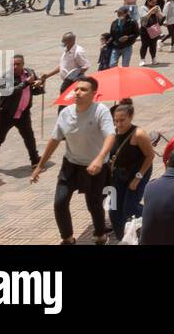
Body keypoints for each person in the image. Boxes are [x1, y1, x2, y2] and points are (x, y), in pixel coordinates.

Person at [32, 76, 116, 245]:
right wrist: (40, 166)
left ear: (93, 94)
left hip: (95, 167)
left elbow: (111, 135)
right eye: (76, 89)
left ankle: (100, 234)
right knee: (60, 203)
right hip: (70, 165)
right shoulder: (66, 113)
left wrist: (100, 159)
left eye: (83, 89)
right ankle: (68, 238)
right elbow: (55, 140)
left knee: (93, 205)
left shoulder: (101, 111)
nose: (78, 92)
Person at [106, 99, 154, 240]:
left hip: (138, 173)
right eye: (116, 120)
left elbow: (150, 156)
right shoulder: (112, 133)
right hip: (118, 175)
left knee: (130, 207)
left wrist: (137, 178)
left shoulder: (138, 134)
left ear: (131, 117)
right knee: (114, 209)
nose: (119, 124)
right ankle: (122, 238)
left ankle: (156, 216)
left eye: (122, 120)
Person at [0, 54, 43, 171]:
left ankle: (35, 160)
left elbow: (36, 89)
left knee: (29, 137)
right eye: (13, 64)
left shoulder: (30, 73)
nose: (15, 67)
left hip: (23, 112)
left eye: (18, 64)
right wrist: (26, 83)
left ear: (23, 64)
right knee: (0, 138)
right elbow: (8, 92)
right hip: (7, 113)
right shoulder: (5, 77)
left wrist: (39, 84)